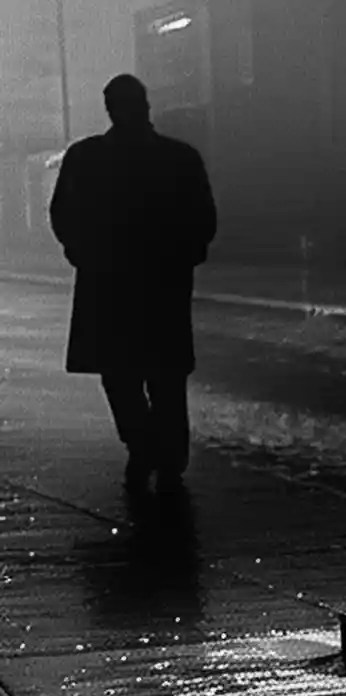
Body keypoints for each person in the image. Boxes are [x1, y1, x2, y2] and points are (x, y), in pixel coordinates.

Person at [49, 74, 217, 490]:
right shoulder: (180, 158)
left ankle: (143, 444)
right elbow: (202, 218)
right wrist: (186, 255)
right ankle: (170, 453)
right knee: (165, 373)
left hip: (108, 284)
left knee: (119, 373)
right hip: (163, 283)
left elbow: (63, 213)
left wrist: (81, 253)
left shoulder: (85, 158)